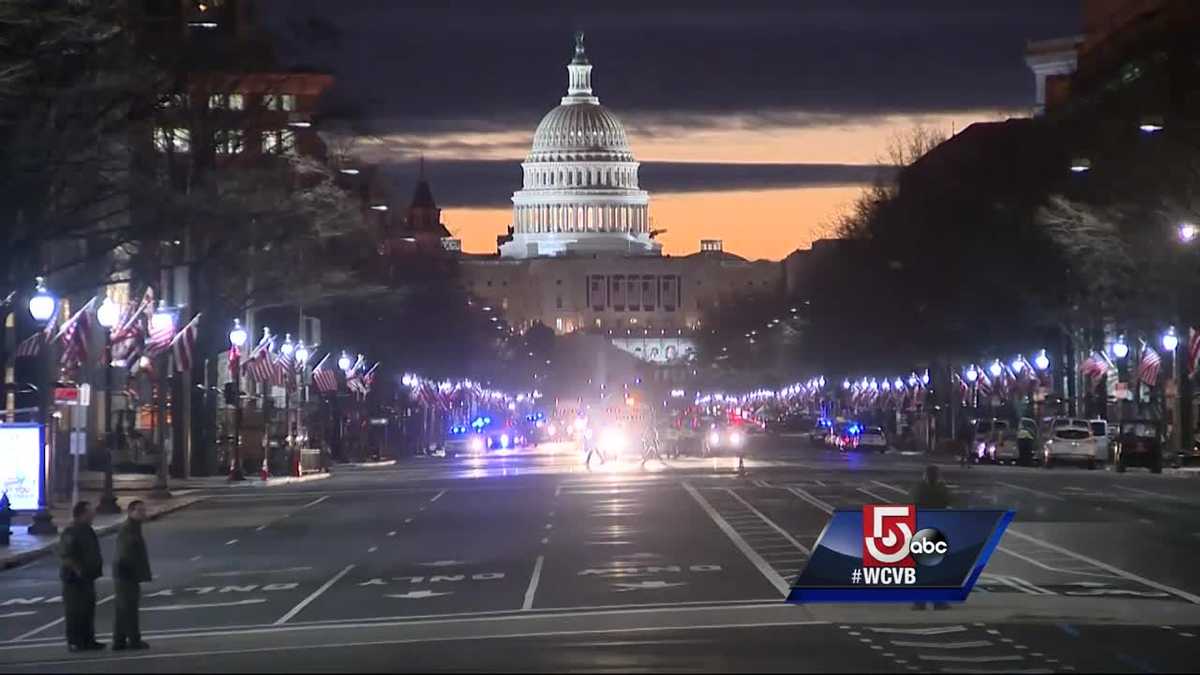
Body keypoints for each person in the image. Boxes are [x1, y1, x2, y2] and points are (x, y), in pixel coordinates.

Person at [59, 501, 104, 652]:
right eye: (91, 513)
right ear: (82, 514)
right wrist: (77, 570)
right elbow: (66, 554)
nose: (93, 515)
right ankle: (75, 642)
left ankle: (89, 640)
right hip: (75, 579)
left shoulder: (88, 530)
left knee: (88, 609)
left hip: (88, 577)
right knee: (75, 610)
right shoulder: (71, 531)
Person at [910, 465, 953, 611]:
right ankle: (938, 601)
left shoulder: (920, 489)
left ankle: (920, 601)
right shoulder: (941, 489)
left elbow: (913, 503)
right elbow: (948, 500)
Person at [113, 500, 152, 651]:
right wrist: (131, 570)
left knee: (123, 609)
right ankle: (134, 640)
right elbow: (125, 553)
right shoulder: (128, 529)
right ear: (130, 512)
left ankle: (119, 641)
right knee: (129, 608)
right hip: (126, 574)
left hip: (127, 573)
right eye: (140, 511)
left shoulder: (134, 527)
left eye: (144, 510)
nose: (143, 514)